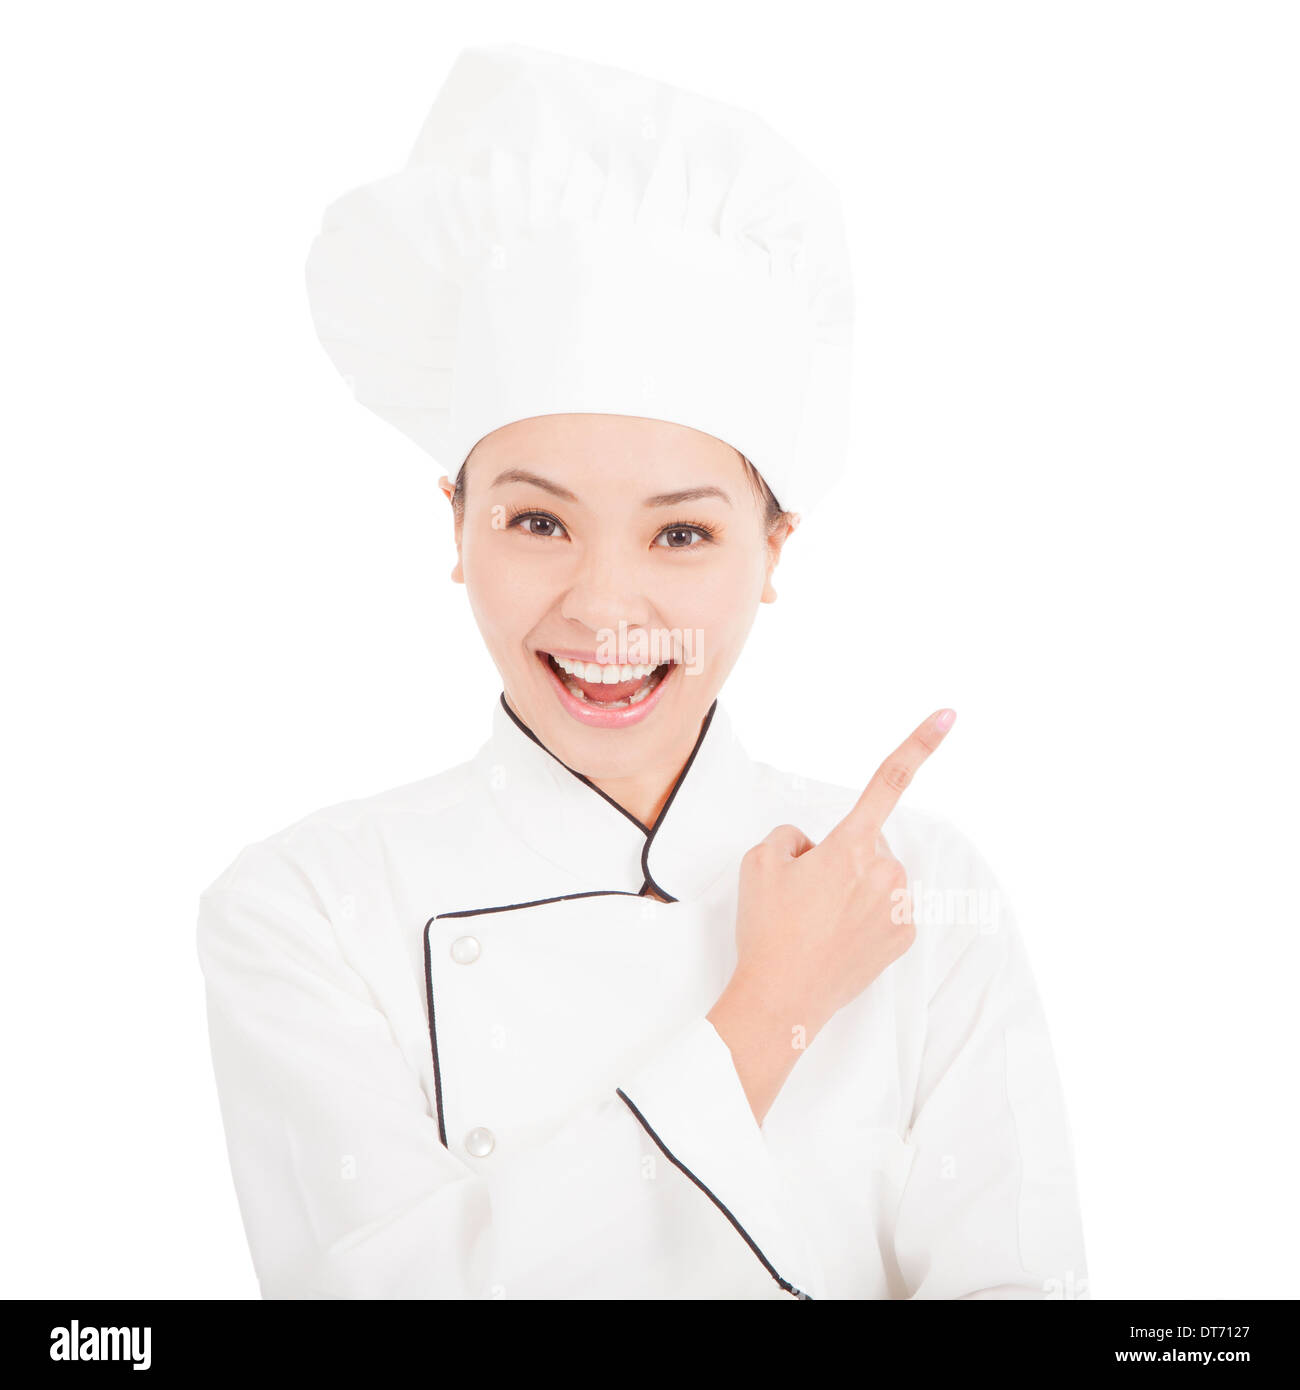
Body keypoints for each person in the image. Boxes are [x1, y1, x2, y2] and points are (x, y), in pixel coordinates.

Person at [197, 42, 1089, 1300]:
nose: (606, 608)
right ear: (455, 525)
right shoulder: (304, 912)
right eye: (537, 522)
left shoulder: (915, 893)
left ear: (772, 548)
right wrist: (770, 1012)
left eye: (681, 533)